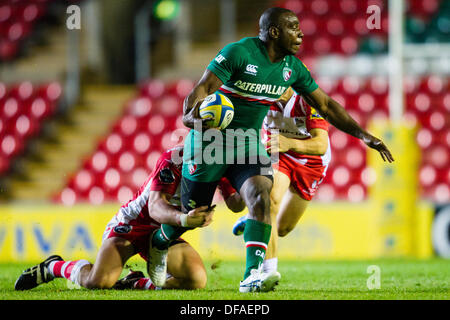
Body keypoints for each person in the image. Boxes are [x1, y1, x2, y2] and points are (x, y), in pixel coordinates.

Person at [147, 7, 394, 293]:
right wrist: (191, 118)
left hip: (248, 144)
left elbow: (325, 105)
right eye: (293, 28)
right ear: (274, 32)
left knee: (261, 197)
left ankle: (252, 274)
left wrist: (363, 135)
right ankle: (161, 240)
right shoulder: (239, 53)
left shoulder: (292, 68)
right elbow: (201, 90)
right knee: (195, 216)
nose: (301, 34)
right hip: (209, 144)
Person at [14, 146, 241, 291]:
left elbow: (236, 203)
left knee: (195, 281)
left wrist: (253, 181)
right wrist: (183, 220)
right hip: (133, 225)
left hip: (164, 234)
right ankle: (53, 267)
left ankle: (135, 283)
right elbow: (155, 208)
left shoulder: (220, 166)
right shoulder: (175, 159)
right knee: (99, 282)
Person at [233, 87, 334, 279]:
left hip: (311, 162)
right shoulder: (260, 97)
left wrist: (290, 142)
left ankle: (252, 219)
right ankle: (268, 272)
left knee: (282, 228)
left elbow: (321, 145)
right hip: (278, 154)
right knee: (270, 201)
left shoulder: (308, 100)